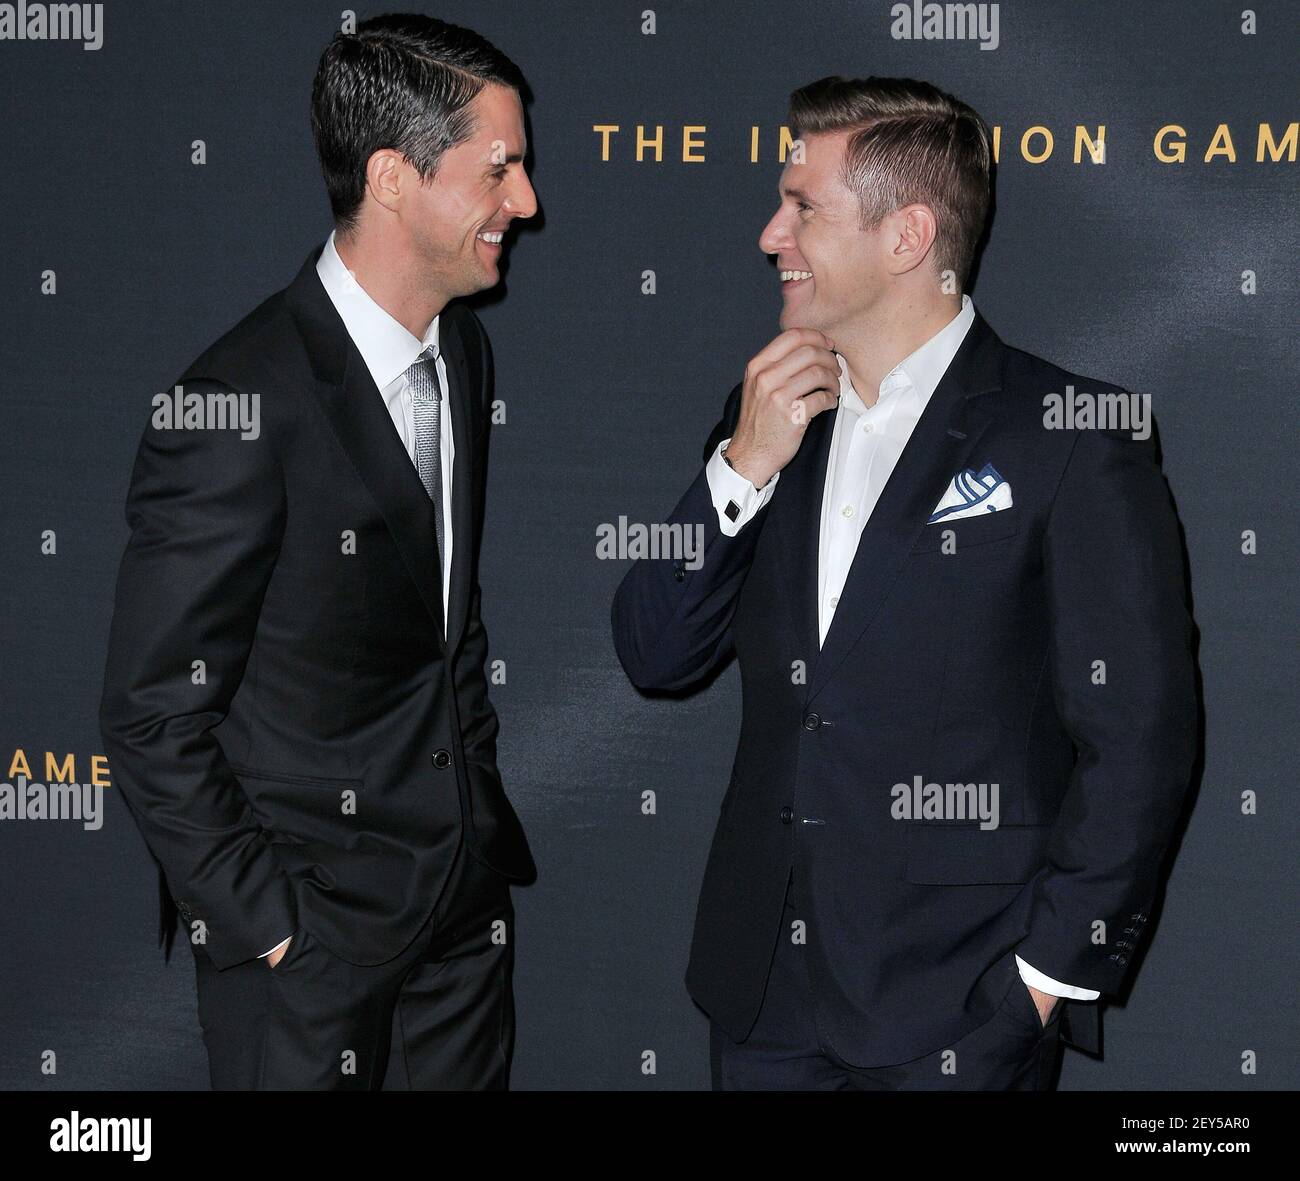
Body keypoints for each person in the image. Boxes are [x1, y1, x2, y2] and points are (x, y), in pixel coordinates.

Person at [610, 75, 1197, 1090]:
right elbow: (654, 652)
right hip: (761, 1005)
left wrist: (1039, 984)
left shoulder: (1070, 436)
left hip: (960, 1010)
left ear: (905, 235)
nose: (768, 234)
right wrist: (738, 469)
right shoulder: (766, 413)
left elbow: (1140, 742)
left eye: (800, 205)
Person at [99, 13, 538, 1090]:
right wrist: (280, 934)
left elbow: (445, 627)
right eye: (500, 169)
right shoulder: (236, 403)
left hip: (457, 929)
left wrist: (469, 838)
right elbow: (153, 711)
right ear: (393, 177)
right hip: (308, 955)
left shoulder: (462, 353)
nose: (525, 202)